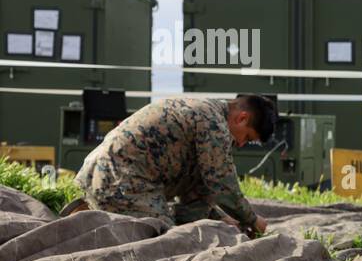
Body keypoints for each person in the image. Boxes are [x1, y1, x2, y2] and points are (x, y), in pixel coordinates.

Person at [72, 95, 274, 237]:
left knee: (184, 230)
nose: (241, 144)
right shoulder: (214, 124)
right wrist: (252, 220)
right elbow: (222, 183)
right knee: (167, 240)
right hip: (119, 181)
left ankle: (89, 209)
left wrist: (219, 217)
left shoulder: (203, 108)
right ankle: (90, 219)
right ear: (242, 118)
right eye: (247, 137)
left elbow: (200, 188)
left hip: (98, 173)